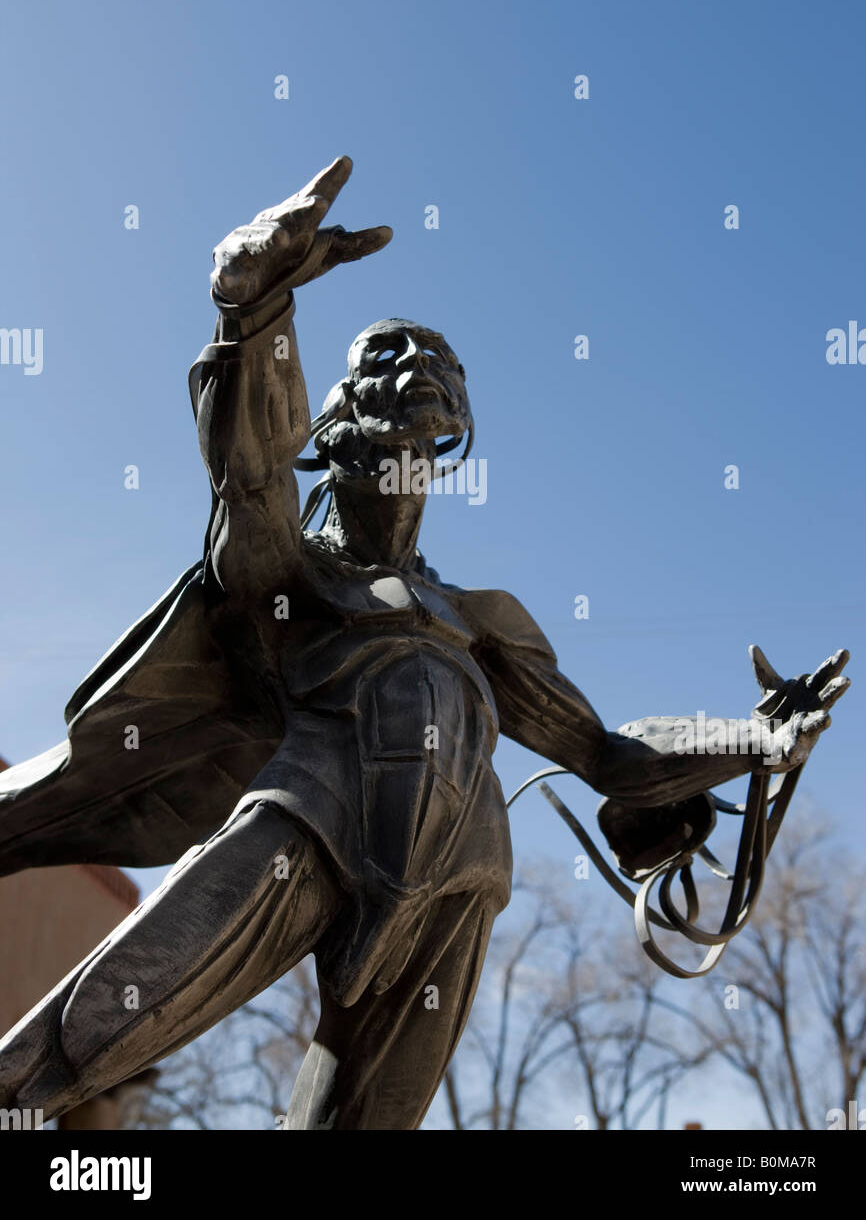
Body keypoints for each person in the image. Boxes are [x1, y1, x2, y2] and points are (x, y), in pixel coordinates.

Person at [0, 157, 849, 1130]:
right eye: (386, 364)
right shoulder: (297, 571)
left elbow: (609, 754)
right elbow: (249, 484)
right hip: (311, 820)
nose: (417, 375)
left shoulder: (478, 619)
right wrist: (251, 308)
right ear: (333, 429)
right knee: (94, 1027)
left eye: (435, 369)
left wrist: (754, 740)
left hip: (459, 871)